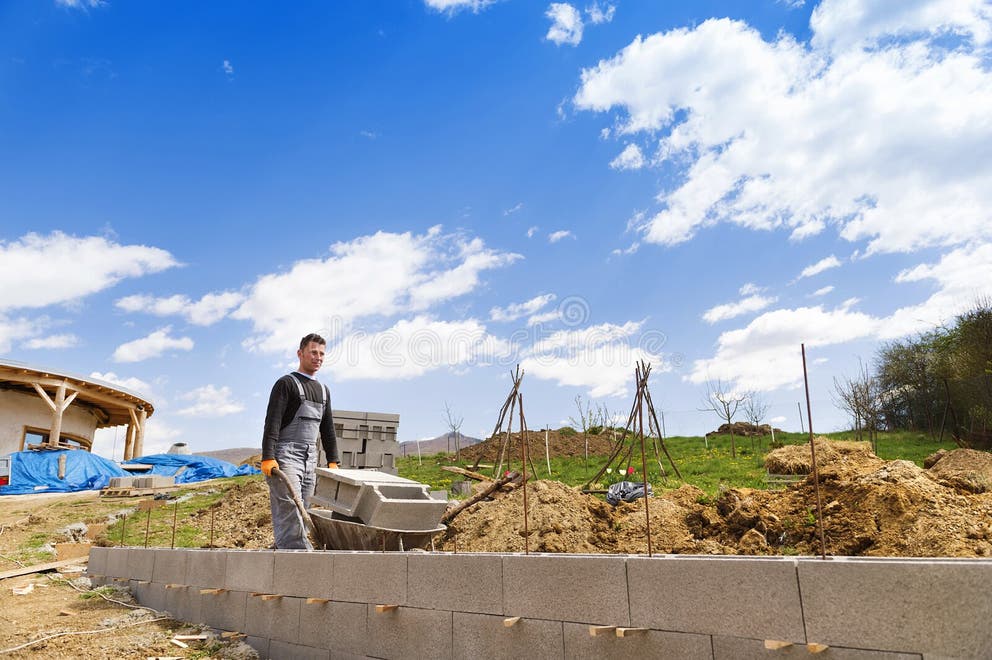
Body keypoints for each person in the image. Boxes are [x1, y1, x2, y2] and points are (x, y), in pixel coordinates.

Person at [260, 333, 339, 550]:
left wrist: (333, 460)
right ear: (300, 353)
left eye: (322, 353)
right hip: (286, 455)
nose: (318, 357)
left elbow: (327, 428)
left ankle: (287, 555)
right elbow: (272, 422)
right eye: (313, 352)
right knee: (291, 510)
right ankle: (300, 559)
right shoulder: (286, 384)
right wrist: (268, 456)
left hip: (310, 457)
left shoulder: (323, 391)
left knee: (304, 511)